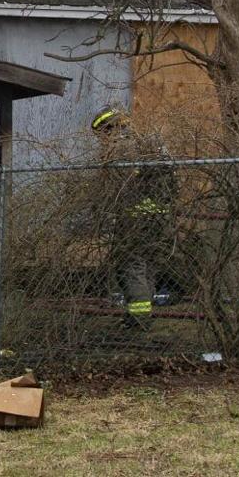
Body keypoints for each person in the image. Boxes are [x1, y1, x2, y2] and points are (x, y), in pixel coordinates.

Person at [91, 106, 173, 326]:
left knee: (131, 265)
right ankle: (141, 313)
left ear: (108, 129)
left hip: (132, 217)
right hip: (159, 217)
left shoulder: (119, 149)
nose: (102, 141)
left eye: (101, 135)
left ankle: (139, 318)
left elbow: (115, 188)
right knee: (148, 264)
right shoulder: (149, 143)